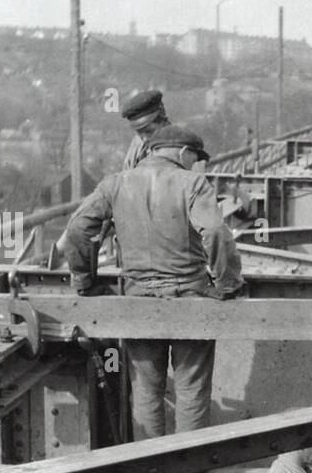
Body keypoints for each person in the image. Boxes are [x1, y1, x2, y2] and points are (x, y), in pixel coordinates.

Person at [62, 124, 242, 439]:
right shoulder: (193, 183)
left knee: (146, 389)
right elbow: (215, 232)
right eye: (195, 158)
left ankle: (151, 463)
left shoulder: (115, 183)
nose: (195, 164)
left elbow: (77, 229)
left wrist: (85, 281)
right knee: (191, 388)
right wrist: (226, 284)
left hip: (138, 300)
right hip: (190, 297)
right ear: (183, 152)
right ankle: (188, 462)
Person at [122, 89, 170, 168]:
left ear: (163, 121)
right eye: (139, 132)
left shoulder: (181, 146)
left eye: (149, 131)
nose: (144, 139)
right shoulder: (137, 143)